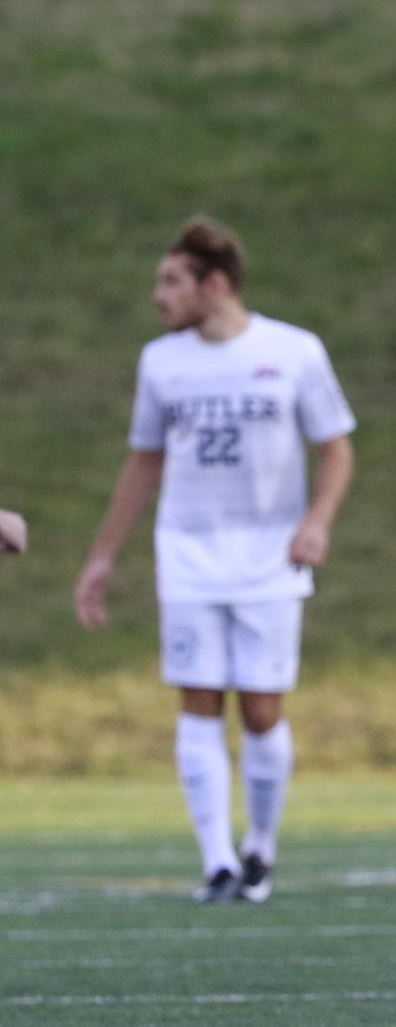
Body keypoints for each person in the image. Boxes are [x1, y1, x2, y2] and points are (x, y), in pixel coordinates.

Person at [75, 217, 356, 903]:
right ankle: (216, 861)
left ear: (216, 283)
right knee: (198, 701)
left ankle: (260, 845)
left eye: (171, 281)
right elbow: (145, 462)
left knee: (261, 708)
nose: (158, 295)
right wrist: (102, 557)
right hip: (188, 554)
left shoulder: (293, 351)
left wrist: (316, 521)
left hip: (269, 558)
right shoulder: (161, 362)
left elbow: (338, 446)